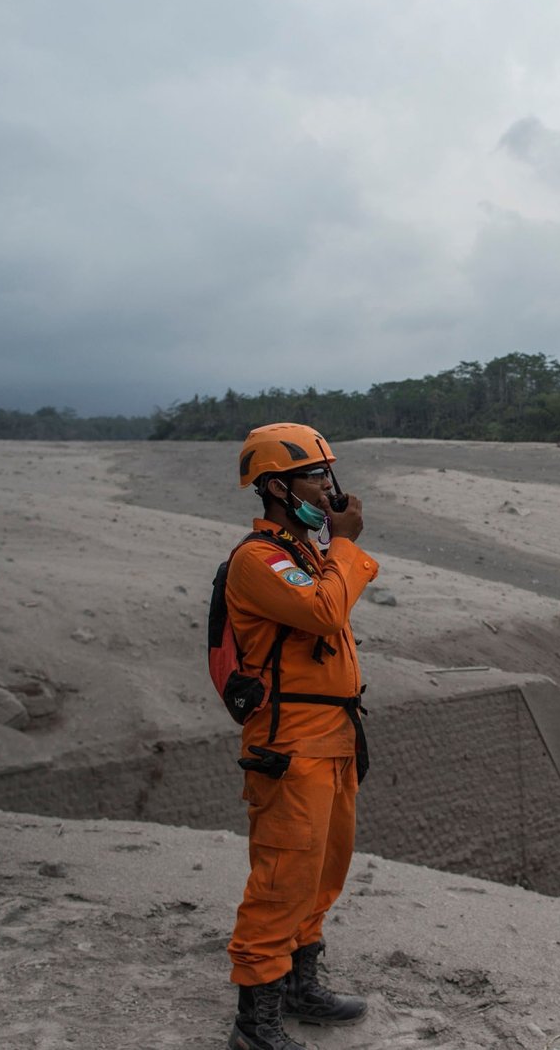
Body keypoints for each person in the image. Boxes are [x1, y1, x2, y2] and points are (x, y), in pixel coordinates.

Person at [224, 423, 380, 1050]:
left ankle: (298, 986)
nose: (328, 486)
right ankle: (254, 1023)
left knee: (323, 870)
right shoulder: (257, 561)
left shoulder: (306, 554)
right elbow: (323, 611)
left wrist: (334, 550)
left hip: (332, 736)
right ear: (275, 487)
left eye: (326, 474)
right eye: (315, 476)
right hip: (289, 746)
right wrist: (345, 546)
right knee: (283, 876)